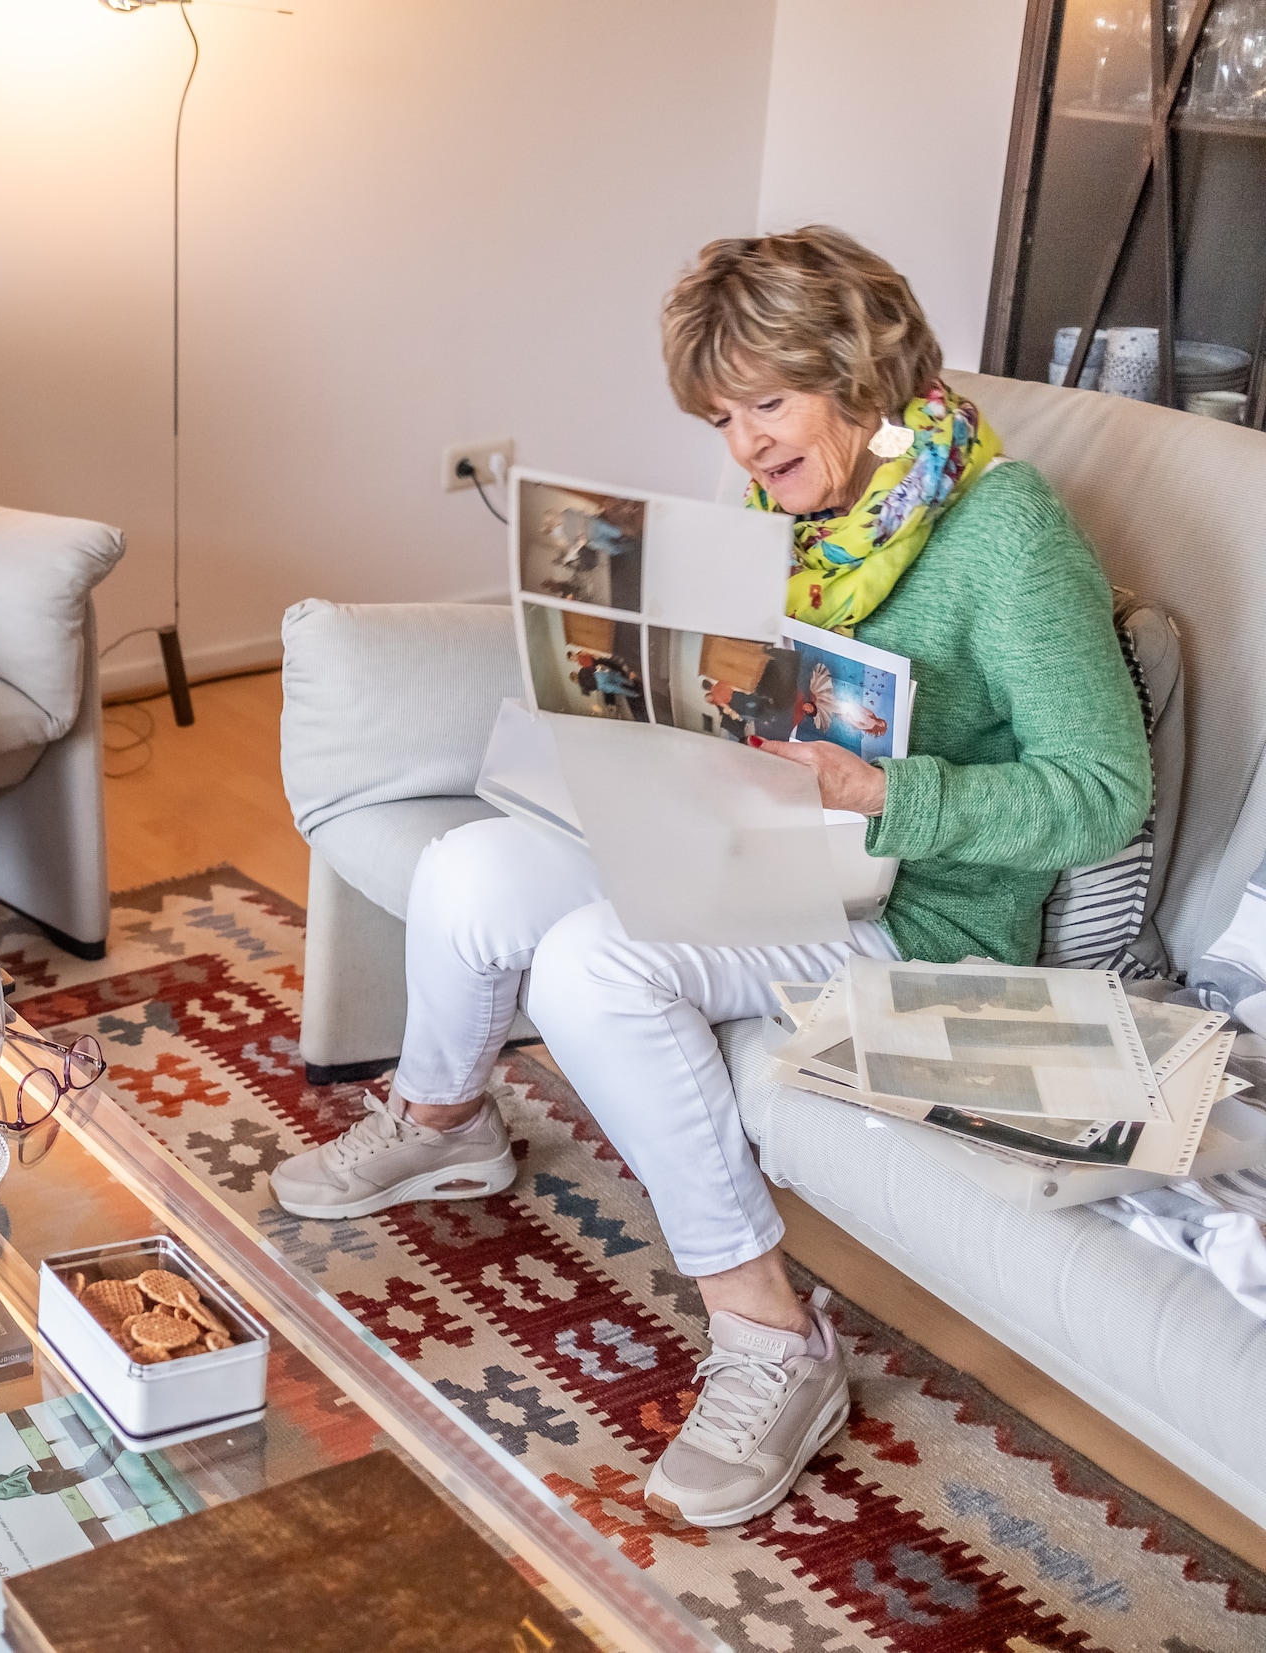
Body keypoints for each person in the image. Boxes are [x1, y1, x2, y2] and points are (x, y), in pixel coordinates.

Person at [269, 226, 1151, 1529]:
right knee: (471, 869)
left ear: (858, 373)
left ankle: (773, 1341)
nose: (743, 447)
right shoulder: (787, 513)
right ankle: (443, 1126)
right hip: (759, 847)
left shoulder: (1005, 533)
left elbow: (1104, 792)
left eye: (766, 406)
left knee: (592, 966)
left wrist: (881, 791)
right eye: (721, 418)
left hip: (912, 910)